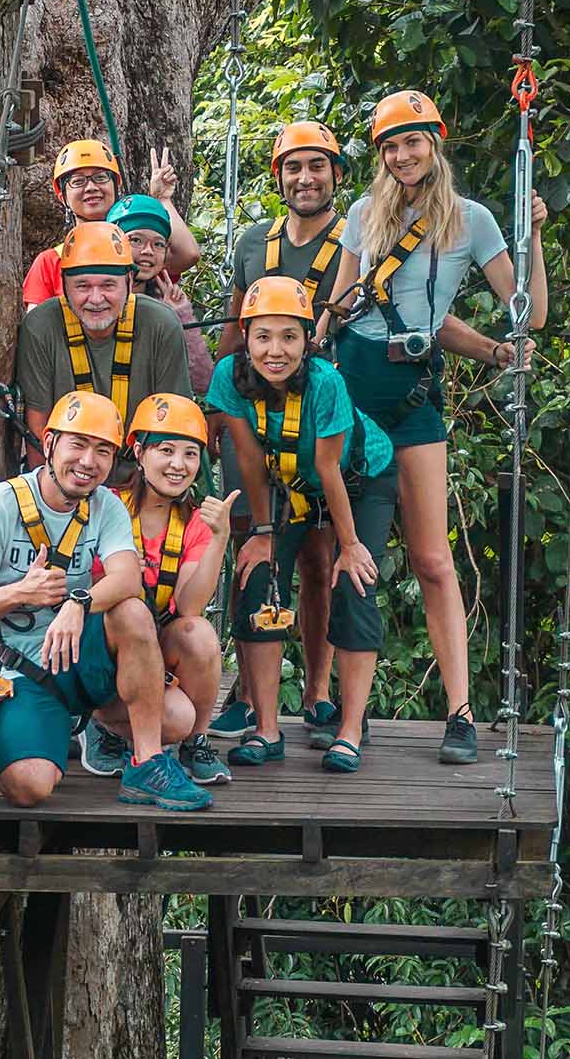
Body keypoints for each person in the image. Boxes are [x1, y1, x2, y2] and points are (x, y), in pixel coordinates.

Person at [207, 121, 489, 748]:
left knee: (347, 558)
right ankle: (259, 700)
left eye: (317, 167)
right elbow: (235, 330)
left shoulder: (364, 228)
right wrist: (213, 409)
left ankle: (330, 697)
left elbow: (426, 312)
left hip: (342, 409)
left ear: (338, 173)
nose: (304, 179)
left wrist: (495, 350)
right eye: (292, 167)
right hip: (270, 413)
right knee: (264, 549)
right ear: (277, 176)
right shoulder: (256, 242)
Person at [325, 89, 549, 765]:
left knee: (431, 559)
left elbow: (527, 314)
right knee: (352, 558)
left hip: (415, 393)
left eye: (412, 142)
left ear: (436, 142)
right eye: (391, 146)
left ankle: (461, 712)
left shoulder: (473, 222)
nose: (402, 155)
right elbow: (335, 309)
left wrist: (532, 234)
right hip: (355, 386)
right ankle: (346, 718)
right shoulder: (363, 216)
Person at [0, 391, 212, 810]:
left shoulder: (105, 505)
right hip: (25, 667)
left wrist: (78, 602)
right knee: (28, 787)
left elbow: (127, 578)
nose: (89, 462)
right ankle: (18, 742)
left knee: (174, 709)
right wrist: (23, 591)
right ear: (50, 442)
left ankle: (146, 766)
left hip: (80, 655)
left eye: (103, 450)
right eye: (78, 444)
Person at [207, 276, 397, 773]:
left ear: (306, 340)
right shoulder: (229, 376)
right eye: (264, 336)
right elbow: (248, 457)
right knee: (257, 581)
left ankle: (349, 730)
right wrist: (264, 535)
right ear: (245, 337)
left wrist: (351, 546)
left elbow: (330, 469)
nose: (276, 350)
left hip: (358, 481)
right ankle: (266, 729)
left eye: (289, 336)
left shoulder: (325, 381)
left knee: (353, 586)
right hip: (286, 483)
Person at [76, 393, 236, 787]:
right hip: (102, 651)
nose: (179, 465)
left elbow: (191, 606)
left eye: (190, 454)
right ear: (139, 451)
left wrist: (219, 539)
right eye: (166, 450)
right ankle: (100, 726)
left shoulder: (195, 524)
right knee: (126, 609)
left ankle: (194, 741)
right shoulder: (103, 507)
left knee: (197, 633)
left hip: (153, 652)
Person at [13, 223, 192, 478]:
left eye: (108, 285)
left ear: (129, 282)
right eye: (82, 286)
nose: (96, 299)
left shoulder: (160, 324)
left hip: (141, 477)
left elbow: (174, 422)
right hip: (69, 474)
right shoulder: (42, 326)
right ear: (64, 285)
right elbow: (37, 428)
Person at [23, 140, 201, 307]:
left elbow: (188, 254)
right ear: (63, 196)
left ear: (116, 185)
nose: (91, 187)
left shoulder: (138, 248)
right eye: (78, 181)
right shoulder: (52, 261)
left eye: (100, 178)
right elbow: (37, 326)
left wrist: (162, 199)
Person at [110, 193, 213, 399]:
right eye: (136, 240)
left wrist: (177, 317)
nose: (148, 251)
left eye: (158, 244)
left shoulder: (166, 301)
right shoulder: (94, 299)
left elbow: (202, 380)